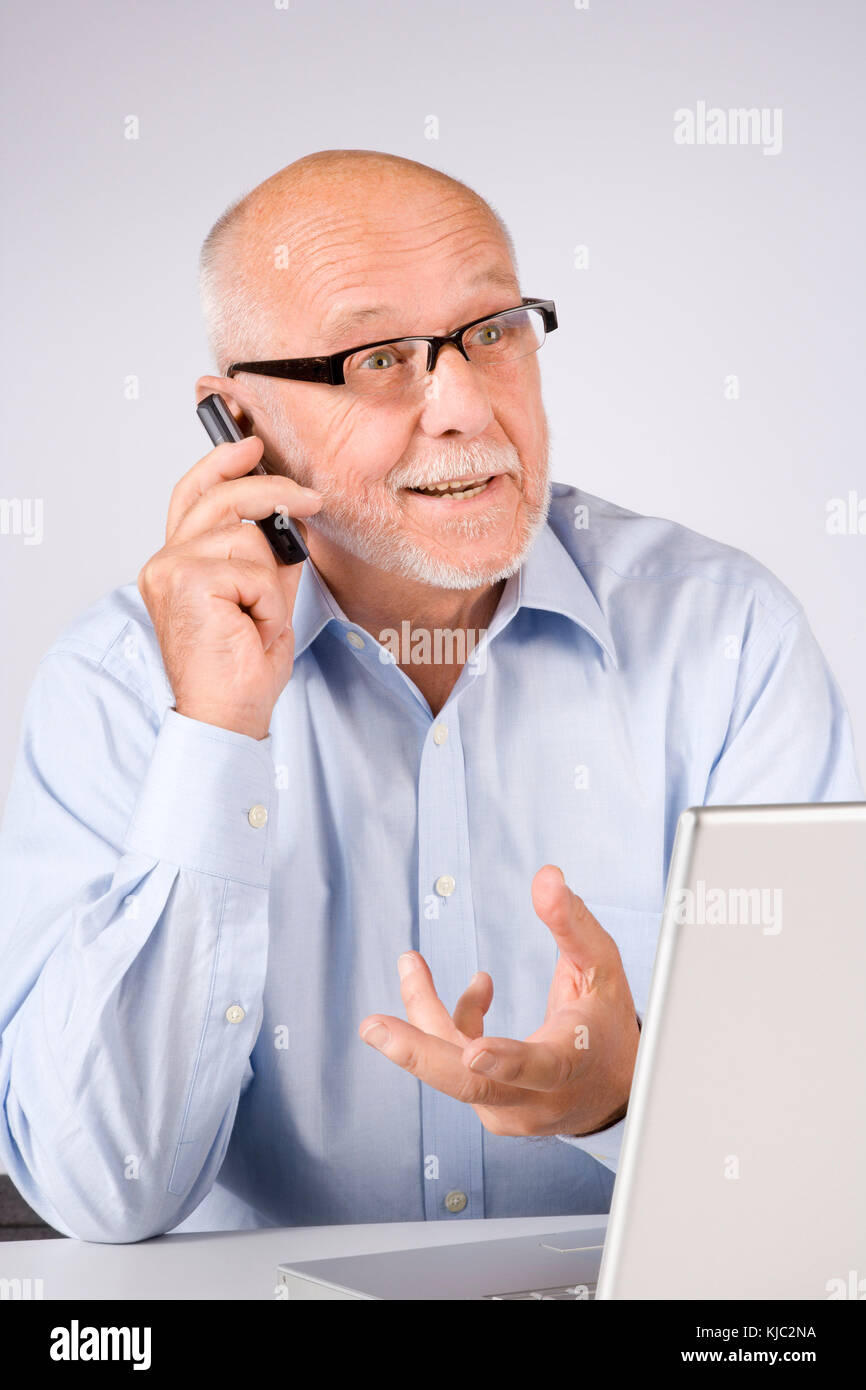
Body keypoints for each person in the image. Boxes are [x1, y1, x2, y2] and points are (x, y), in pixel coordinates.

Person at [0, 149, 861, 1243]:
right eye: (375, 359)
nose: (462, 404)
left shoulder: (721, 636)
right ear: (234, 420)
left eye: (491, 332)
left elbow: (823, 1141)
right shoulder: (119, 686)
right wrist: (214, 732)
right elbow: (98, 1193)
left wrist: (625, 1096)